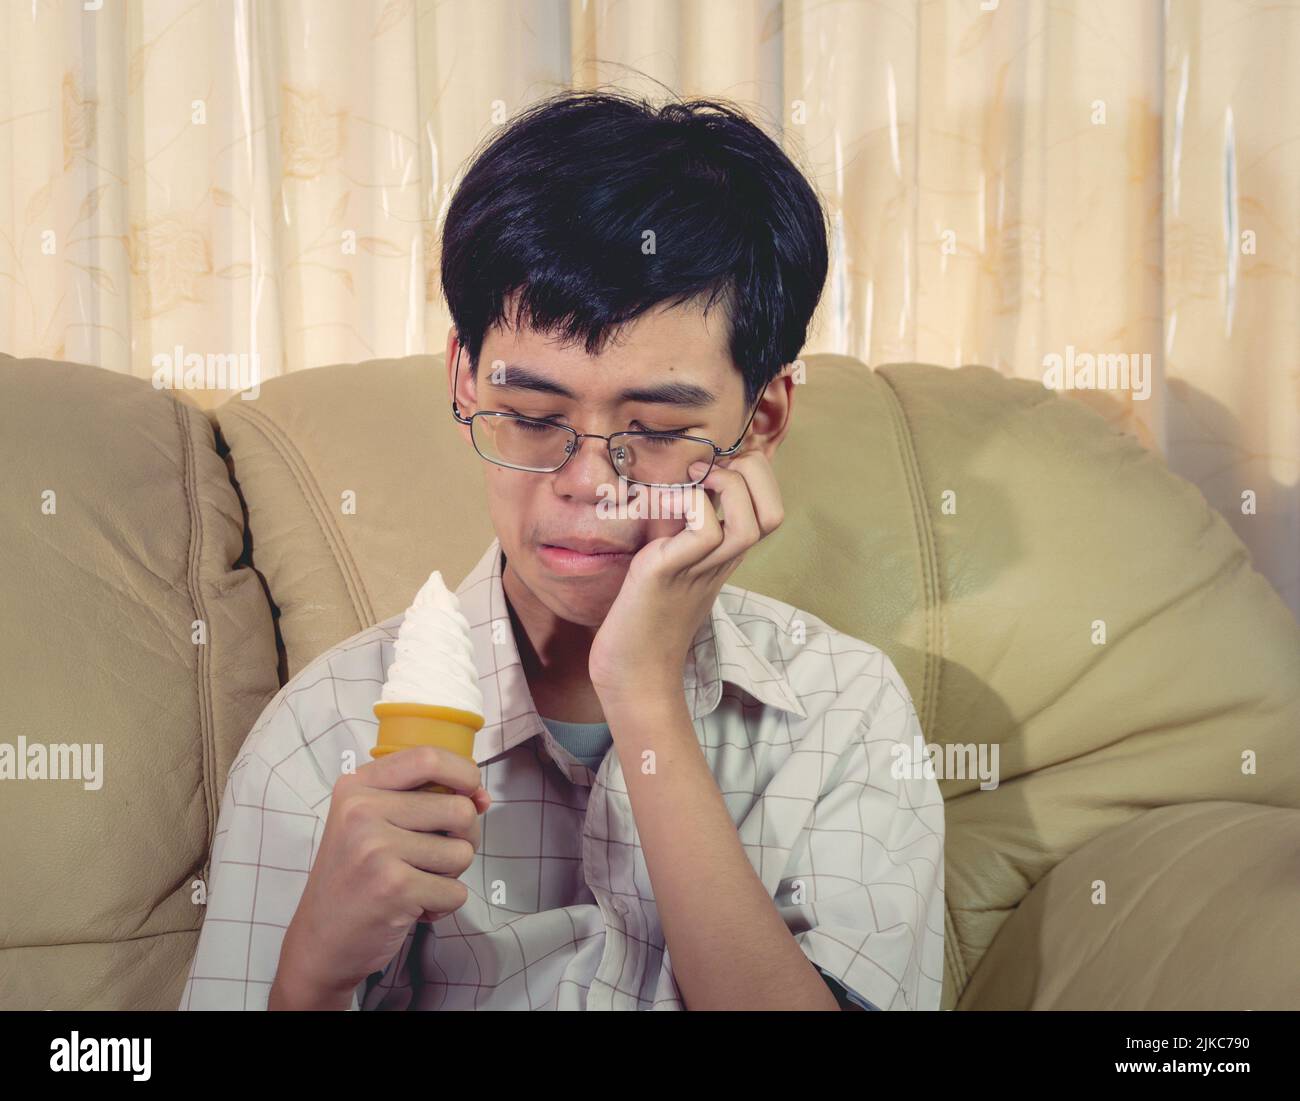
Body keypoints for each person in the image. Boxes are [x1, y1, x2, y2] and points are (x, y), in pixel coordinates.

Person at [178, 89, 944, 1011]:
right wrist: (314, 971)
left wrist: (646, 694)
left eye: (657, 426)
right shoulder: (327, 729)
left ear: (761, 419)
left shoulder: (843, 711)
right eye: (535, 418)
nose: (587, 481)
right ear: (465, 380)